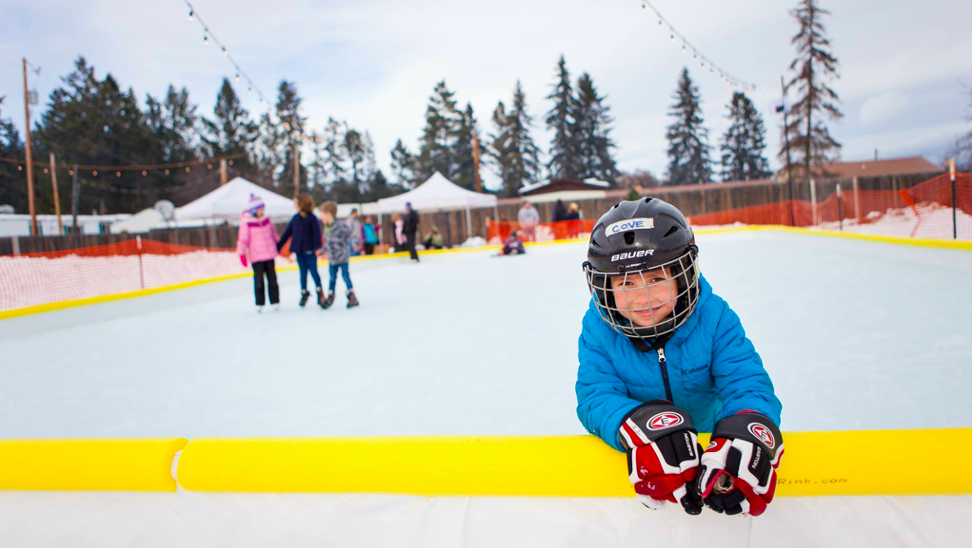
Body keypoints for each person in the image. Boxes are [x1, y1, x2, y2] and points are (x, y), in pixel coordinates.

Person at [576, 197, 783, 518]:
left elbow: (747, 383)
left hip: (713, 452)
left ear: (682, 275)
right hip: (644, 457)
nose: (642, 297)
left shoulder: (714, 316)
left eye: (656, 278)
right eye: (626, 283)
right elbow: (594, 396)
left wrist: (748, 428)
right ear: (604, 289)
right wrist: (640, 426)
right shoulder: (598, 328)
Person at [277, 193, 326, 308]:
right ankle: (304, 292)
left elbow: (317, 235)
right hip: (299, 251)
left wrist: (318, 248)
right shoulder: (295, 218)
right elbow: (287, 234)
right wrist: (278, 247)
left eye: (296, 204)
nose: (295, 206)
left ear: (302, 204)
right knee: (302, 273)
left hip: (310, 251)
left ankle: (319, 291)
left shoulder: (312, 219)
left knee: (314, 272)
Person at [236, 194, 280, 312]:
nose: (262, 211)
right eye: (260, 209)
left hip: (269, 254)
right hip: (256, 256)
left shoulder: (267, 220)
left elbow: (273, 234)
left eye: (263, 208)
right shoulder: (247, 222)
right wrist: (241, 254)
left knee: (272, 279)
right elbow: (243, 239)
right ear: (254, 210)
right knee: (259, 281)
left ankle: (275, 301)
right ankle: (259, 302)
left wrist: (278, 244)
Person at [319, 201, 359, 308]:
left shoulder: (341, 225)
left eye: (322, 215)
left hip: (342, 256)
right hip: (332, 258)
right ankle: (331, 295)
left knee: (345, 276)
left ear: (328, 214)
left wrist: (355, 244)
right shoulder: (326, 227)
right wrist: (322, 252)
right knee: (332, 278)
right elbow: (328, 243)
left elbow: (350, 235)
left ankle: (351, 295)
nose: (321, 218)